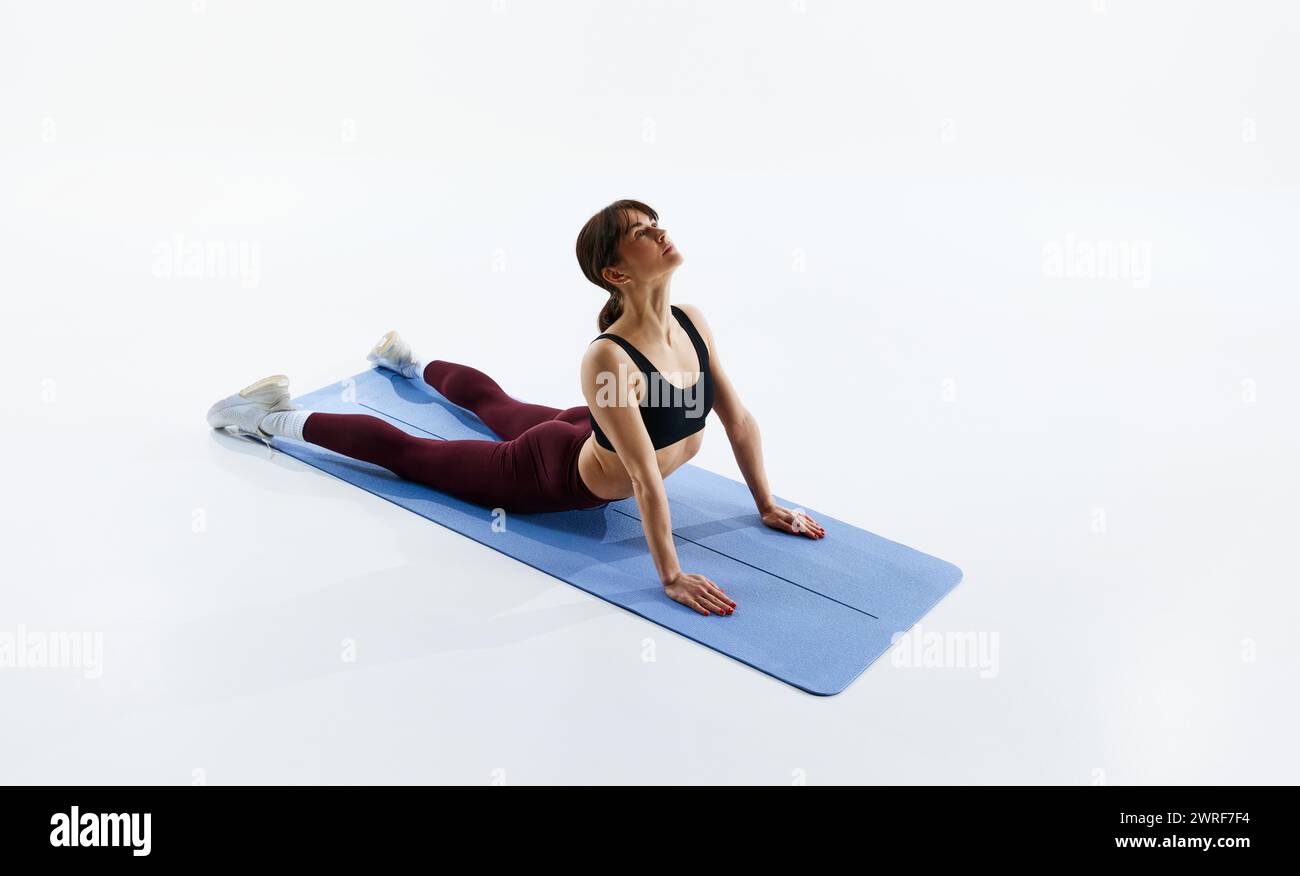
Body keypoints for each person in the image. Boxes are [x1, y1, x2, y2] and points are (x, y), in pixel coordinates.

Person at [206, 199, 824, 616]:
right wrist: (670, 576)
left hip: (592, 428)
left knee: (495, 402)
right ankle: (266, 416)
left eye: (655, 222)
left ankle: (407, 361)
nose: (661, 232)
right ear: (616, 272)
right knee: (417, 454)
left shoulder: (692, 323)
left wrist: (767, 506)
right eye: (642, 231)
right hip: (549, 471)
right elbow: (640, 477)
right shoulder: (608, 359)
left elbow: (737, 420)